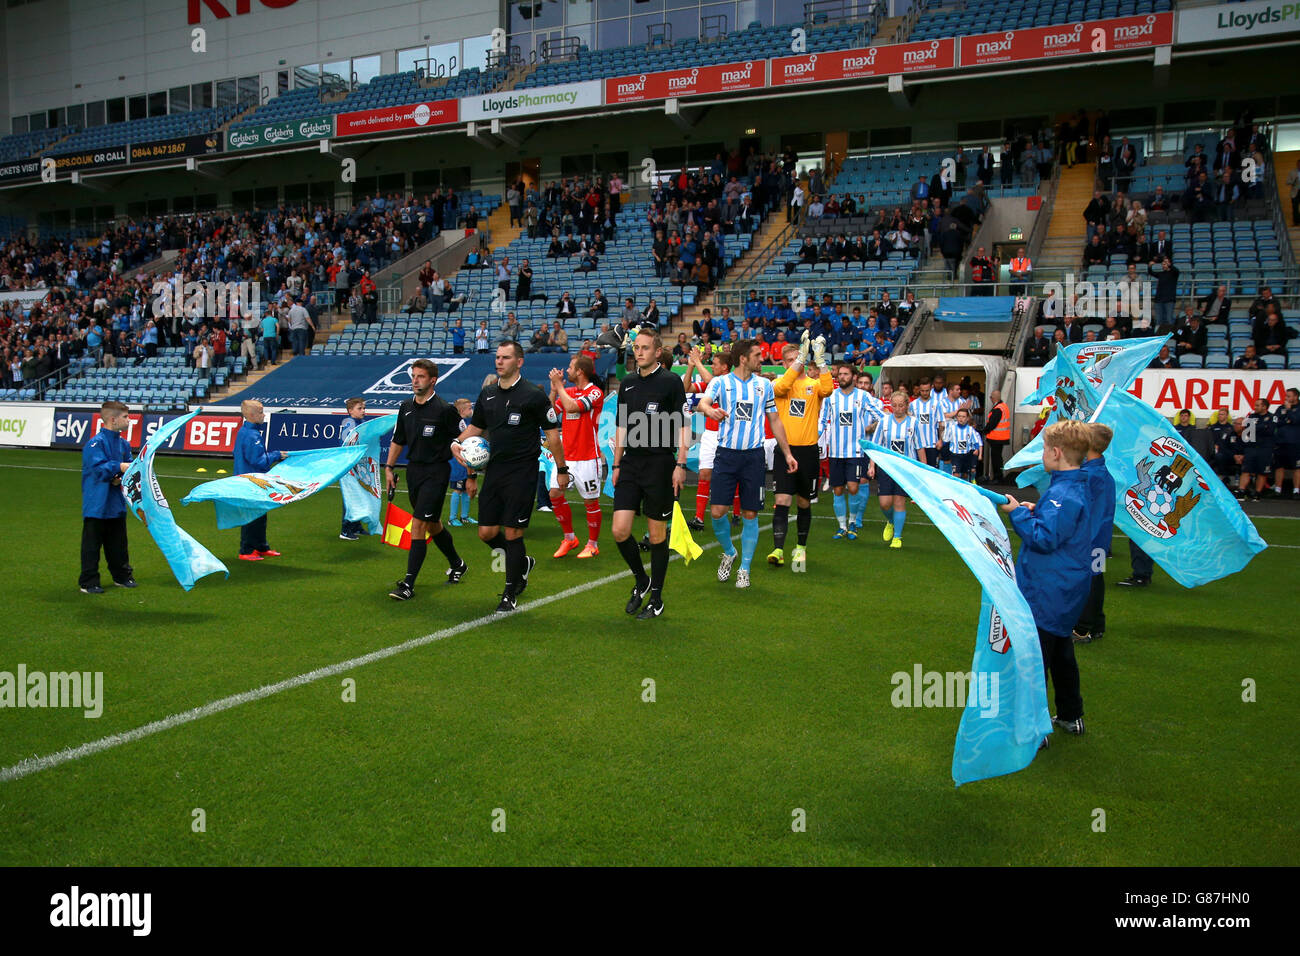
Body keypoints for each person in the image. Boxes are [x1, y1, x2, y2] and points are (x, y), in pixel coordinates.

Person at [453, 342, 568, 613]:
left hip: (523, 473)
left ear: (519, 362)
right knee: (486, 533)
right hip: (494, 472)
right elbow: (476, 428)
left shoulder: (533, 396)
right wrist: (455, 443)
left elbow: (552, 435)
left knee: (514, 533)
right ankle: (522, 564)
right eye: (497, 357)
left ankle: (509, 592)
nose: (499, 362)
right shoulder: (488, 394)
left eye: (505, 357)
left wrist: (562, 470)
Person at [999, 420, 1094, 740]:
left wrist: (1019, 513)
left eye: (1042, 448)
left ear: (1056, 452)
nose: (1041, 453)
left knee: (1034, 659)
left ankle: (1033, 731)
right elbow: (1062, 525)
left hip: (1050, 589)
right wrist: (1037, 509)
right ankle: (1071, 714)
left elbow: (1043, 538)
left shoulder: (1065, 492)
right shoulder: (1071, 485)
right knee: (1061, 653)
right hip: (1061, 587)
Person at [698, 340, 799, 589]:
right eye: (756, 355)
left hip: (753, 457)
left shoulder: (764, 385)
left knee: (750, 513)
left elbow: (775, 420)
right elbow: (703, 402)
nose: (760, 358)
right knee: (717, 512)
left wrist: (787, 454)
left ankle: (744, 568)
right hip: (726, 455)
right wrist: (709, 411)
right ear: (742, 358)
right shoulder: (721, 382)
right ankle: (730, 552)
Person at [611, 328, 690, 619]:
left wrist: (680, 465)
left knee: (657, 535)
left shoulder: (671, 383)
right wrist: (617, 464)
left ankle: (656, 597)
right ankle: (641, 580)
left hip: (660, 463)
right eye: (636, 348)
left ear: (657, 352)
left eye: (644, 348)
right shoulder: (628, 383)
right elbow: (621, 426)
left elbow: (683, 425)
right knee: (620, 530)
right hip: (631, 463)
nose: (638, 352)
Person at [384, 360, 468, 601]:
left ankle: (408, 584)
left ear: (432, 380)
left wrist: (471, 474)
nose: (415, 380)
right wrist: (389, 467)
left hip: (437, 472)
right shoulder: (405, 407)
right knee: (432, 525)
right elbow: (398, 440)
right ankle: (457, 563)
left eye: (420, 376)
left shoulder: (445, 410)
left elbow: (464, 441)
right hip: (414, 472)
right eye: (413, 376)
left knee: (418, 525)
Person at [766, 334, 833, 568]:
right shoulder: (778, 385)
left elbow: (828, 388)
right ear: (784, 364)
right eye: (791, 359)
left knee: (804, 503)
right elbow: (784, 385)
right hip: (785, 451)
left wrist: (820, 359)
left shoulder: (813, 386)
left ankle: (800, 548)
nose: (796, 362)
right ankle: (778, 549)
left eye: (799, 358)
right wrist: (799, 360)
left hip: (808, 452)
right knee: (782, 499)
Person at [546, 354, 605, 560]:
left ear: (580, 371)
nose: (567, 371)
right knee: (554, 494)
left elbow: (573, 407)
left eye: (571, 367)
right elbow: (551, 413)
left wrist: (559, 387)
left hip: (588, 457)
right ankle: (570, 538)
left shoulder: (595, 392)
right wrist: (554, 391)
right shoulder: (568, 391)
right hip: (566, 457)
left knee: (590, 502)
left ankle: (592, 544)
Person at [820, 362, 881, 539]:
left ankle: (853, 522)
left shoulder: (863, 396)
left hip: (855, 452)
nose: (842, 377)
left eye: (846, 374)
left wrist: (887, 422)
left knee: (853, 488)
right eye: (840, 374)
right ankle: (842, 526)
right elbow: (822, 421)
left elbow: (880, 416)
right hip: (835, 452)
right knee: (838, 489)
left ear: (853, 377)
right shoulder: (830, 397)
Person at [80, 401, 135, 594]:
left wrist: (119, 477)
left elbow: (130, 467)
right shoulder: (95, 444)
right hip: (97, 503)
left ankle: (122, 576)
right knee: (92, 546)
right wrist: (118, 469)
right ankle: (89, 582)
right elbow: (98, 469)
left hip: (116, 503)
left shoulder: (123, 444)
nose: (129, 420)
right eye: (126, 417)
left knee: (119, 544)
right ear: (113, 419)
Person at [1072, 424, 1115, 644]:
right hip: (1100, 538)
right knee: (1096, 580)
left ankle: (1082, 629)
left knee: (1086, 582)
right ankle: (1096, 624)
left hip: (1087, 538)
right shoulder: (1104, 473)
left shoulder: (1089, 475)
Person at [866, 392, 925, 548]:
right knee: (884, 504)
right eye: (894, 405)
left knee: (899, 501)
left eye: (901, 405)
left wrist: (923, 469)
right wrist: (872, 465)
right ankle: (891, 521)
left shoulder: (914, 423)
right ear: (890, 405)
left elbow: (919, 447)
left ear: (906, 405)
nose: (898, 408)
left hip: (905, 469)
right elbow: (875, 446)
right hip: (887, 467)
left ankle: (897, 537)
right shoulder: (884, 422)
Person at [234, 400, 288, 561]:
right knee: (251, 516)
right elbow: (259, 461)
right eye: (261, 412)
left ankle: (261, 546)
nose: (264, 415)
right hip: (250, 481)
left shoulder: (247, 432)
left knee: (260, 514)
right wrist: (277, 455)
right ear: (251, 415)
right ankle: (246, 550)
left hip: (252, 479)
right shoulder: (251, 435)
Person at [339, 397, 368, 540]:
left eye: (363, 408)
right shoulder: (348, 425)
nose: (363, 411)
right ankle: (345, 530)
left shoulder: (361, 423)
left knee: (359, 496)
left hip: (359, 466)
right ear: (350, 411)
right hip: (348, 467)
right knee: (350, 498)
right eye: (360, 408)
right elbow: (346, 447)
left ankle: (356, 526)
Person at [446, 398, 478, 527]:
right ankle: (452, 518)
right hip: (456, 460)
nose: (472, 410)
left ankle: (465, 516)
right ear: (462, 410)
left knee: (465, 488)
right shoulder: (458, 423)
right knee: (458, 489)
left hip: (463, 458)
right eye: (470, 408)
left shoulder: (462, 422)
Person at [1238, 398, 1275, 501]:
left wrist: (1257, 427)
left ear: (1264, 407)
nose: (1255, 407)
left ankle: (1257, 493)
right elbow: (1247, 430)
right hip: (1251, 447)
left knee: (1262, 472)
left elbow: (1270, 430)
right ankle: (1241, 491)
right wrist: (1262, 427)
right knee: (1246, 470)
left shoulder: (1272, 417)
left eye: (1258, 405)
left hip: (1265, 448)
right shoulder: (1251, 416)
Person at [1273, 388, 1300, 498]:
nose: (1286, 398)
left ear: (1295, 397)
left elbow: (1296, 420)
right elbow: (1276, 421)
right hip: (1281, 442)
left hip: (1295, 443)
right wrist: (1286, 420)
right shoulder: (1280, 408)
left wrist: (1289, 411)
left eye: (1289, 396)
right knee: (1279, 466)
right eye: (1286, 396)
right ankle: (1277, 490)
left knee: (1297, 467)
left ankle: (1296, 491)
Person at [945, 407, 983, 482]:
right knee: (956, 474)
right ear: (956, 417)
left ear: (967, 418)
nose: (961, 418)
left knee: (965, 475)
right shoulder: (952, 428)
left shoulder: (970, 429)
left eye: (963, 417)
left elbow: (976, 441)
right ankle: (955, 489)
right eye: (959, 416)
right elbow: (946, 440)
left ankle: (965, 489)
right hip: (955, 454)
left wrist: (976, 449)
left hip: (966, 455)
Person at [981, 389, 1011, 482]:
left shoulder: (998, 408)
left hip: (996, 437)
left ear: (993, 398)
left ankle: (998, 477)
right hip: (1001, 437)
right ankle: (999, 476)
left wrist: (984, 431)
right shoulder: (1003, 406)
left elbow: (992, 423)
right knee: (998, 458)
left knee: (996, 458)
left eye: (990, 397)